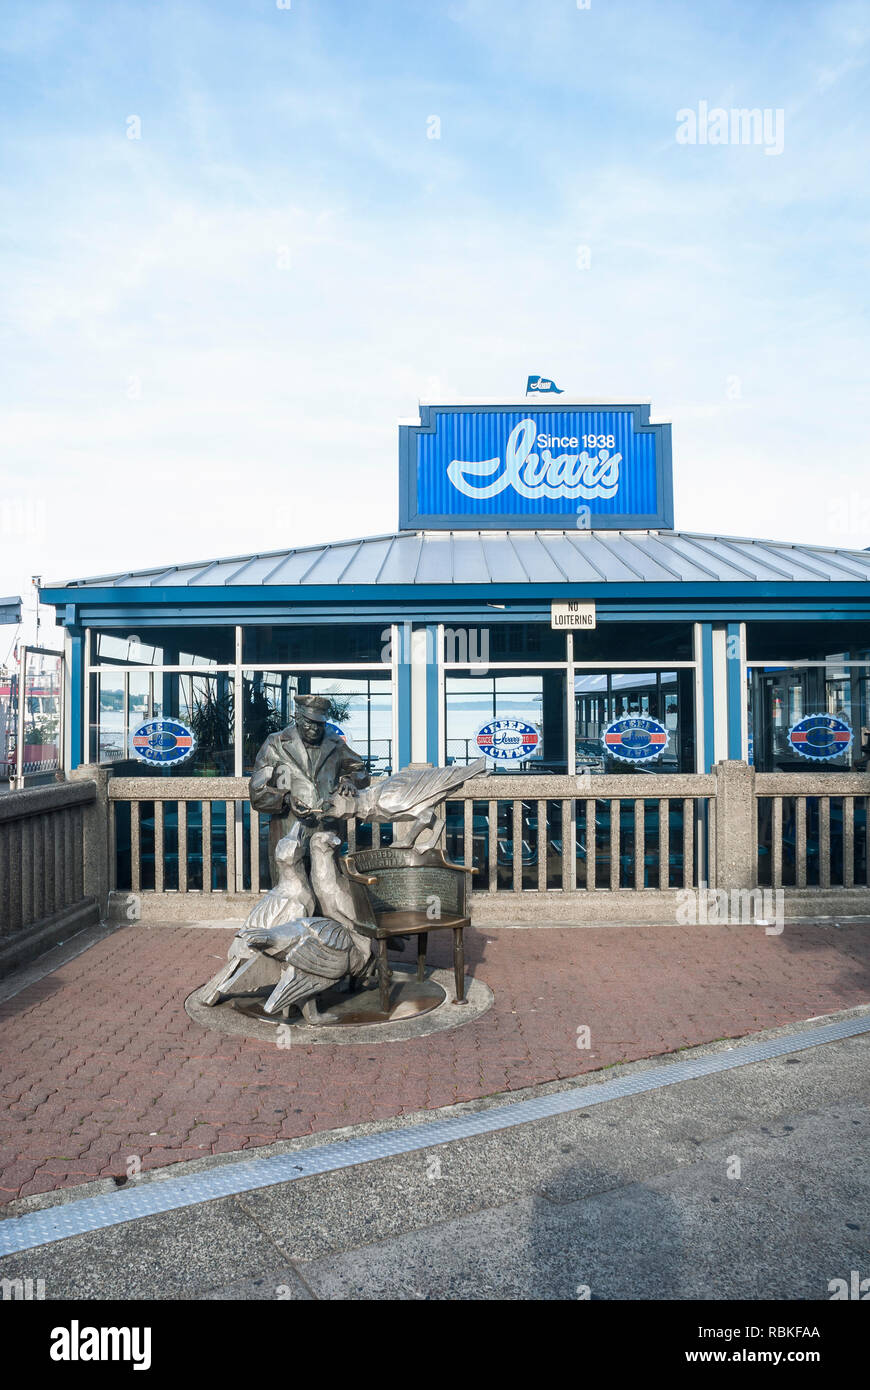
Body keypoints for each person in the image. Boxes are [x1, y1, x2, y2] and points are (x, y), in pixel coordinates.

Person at [249, 693, 370, 886]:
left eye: (319, 724)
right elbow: (257, 790)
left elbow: (360, 770)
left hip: (328, 828)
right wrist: (286, 799)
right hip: (289, 829)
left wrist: (349, 780)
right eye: (309, 722)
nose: (314, 728)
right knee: (290, 891)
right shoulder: (276, 743)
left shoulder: (335, 742)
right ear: (297, 717)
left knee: (328, 888)